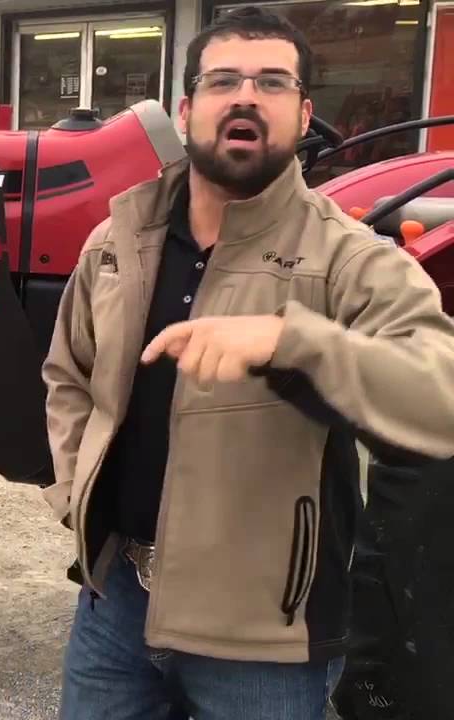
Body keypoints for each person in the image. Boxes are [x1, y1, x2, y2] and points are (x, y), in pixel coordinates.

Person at [40, 6, 454, 719]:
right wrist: (78, 492)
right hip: (115, 605)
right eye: (224, 80)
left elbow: (440, 395)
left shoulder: (346, 257)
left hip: (265, 639)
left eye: (271, 83)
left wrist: (289, 342)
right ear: (188, 107)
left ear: (302, 114)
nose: (245, 97)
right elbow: (67, 375)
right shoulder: (119, 237)